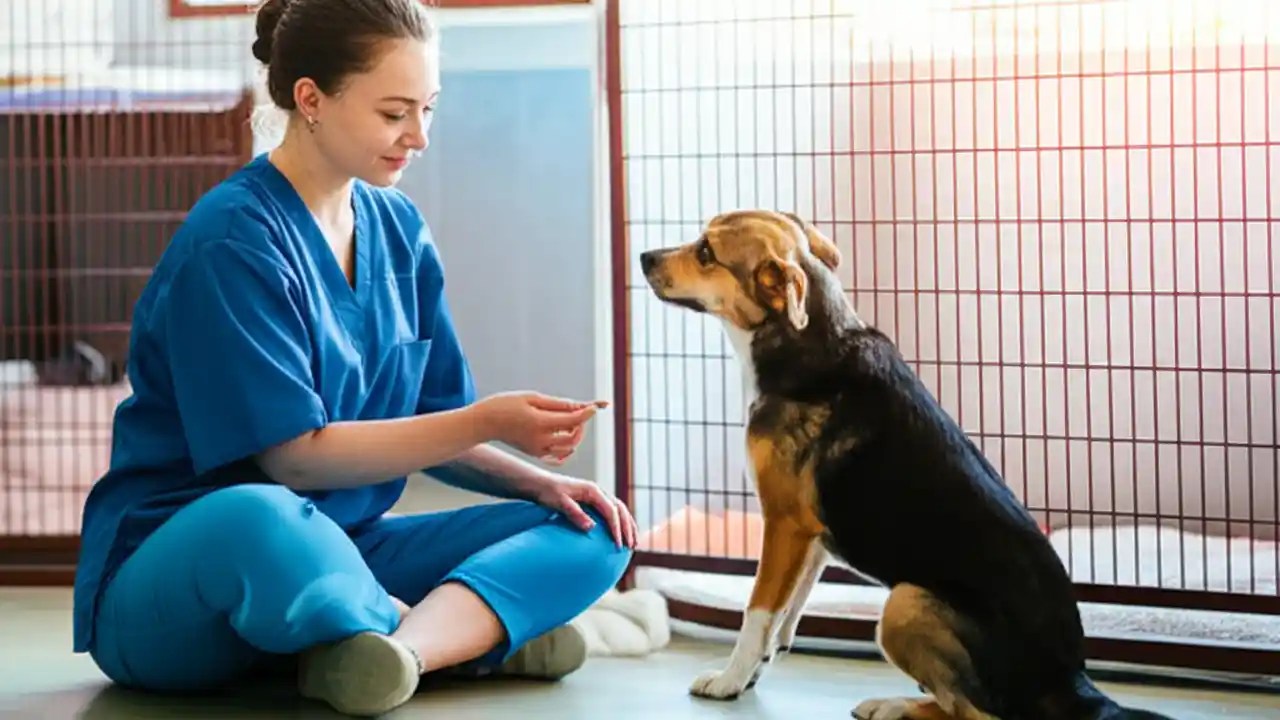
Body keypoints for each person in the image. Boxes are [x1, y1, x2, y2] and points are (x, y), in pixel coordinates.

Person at [70, 0, 637, 716]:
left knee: (593, 531)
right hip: (192, 578)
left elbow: (429, 423)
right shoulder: (233, 240)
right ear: (311, 99)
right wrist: (486, 418)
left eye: (429, 108)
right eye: (395, 112)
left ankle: (398, 653)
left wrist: (538, 486)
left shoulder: (398, 227)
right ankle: (472, 639)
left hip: (345, 550)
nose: (420, 137)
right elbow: (296, 463)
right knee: (260, 517)